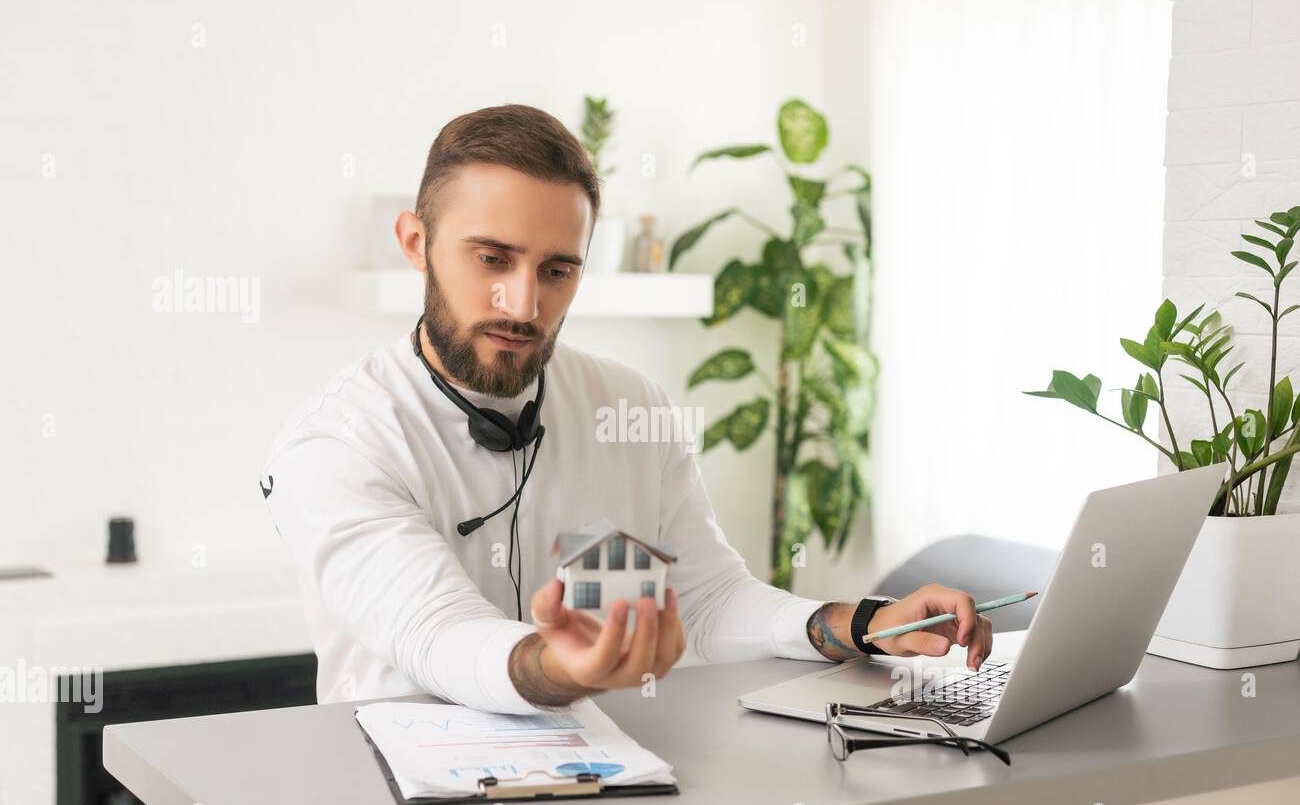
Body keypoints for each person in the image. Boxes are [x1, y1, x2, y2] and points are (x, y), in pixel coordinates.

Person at [261, 104, 991, 713]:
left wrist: (860, 623)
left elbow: (706, 603)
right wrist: (564, 666)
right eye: (491, 258)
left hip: (601, 796)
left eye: (557, 270)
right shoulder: (335, 444)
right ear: (416, 244)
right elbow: (438, 635)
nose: (524, 304)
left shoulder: (625, 408)